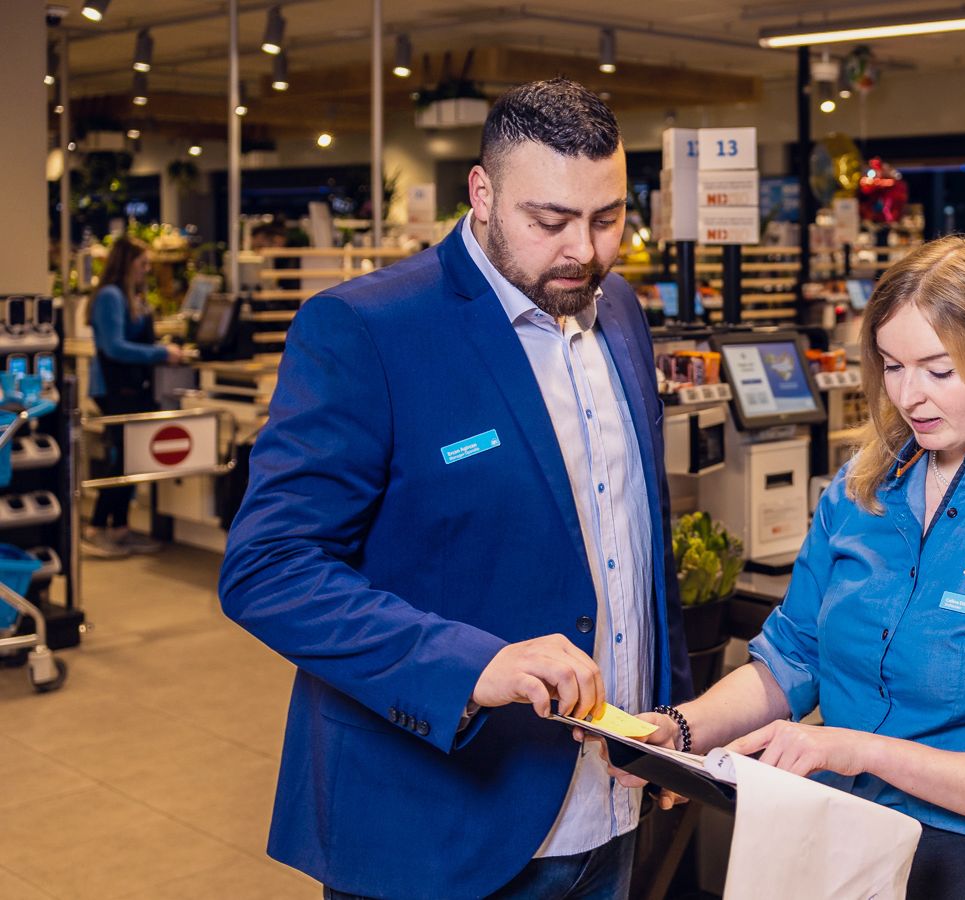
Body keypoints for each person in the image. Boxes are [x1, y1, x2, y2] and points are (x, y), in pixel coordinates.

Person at [219, 79, 690, 899]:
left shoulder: (617, 310)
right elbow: (269, 567)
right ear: (482, 193)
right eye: (550, 221)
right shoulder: (369, 330)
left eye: (609, 217)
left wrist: (673, 732)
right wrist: (474, 662)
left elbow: (636, 539)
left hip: (610, 805)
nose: (585, 249)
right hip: (437, 827)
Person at [625, 236, 965, 900]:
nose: (910, 396)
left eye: (939, 369)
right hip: (844, 847)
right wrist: (679, 728)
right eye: (893, 366)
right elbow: (794, 658)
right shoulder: (861, 491)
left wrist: (855, 750)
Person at [86, 235, 182, 558]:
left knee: (132, 460)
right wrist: (160, 353)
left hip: (129, 389)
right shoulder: (111, 297)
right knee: (121, 460)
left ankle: (120, 528)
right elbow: (114, 347)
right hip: (114, 390)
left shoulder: (129, 296)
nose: (148, 269)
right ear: (128, 263)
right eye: (143, 263)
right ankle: (98, 527)